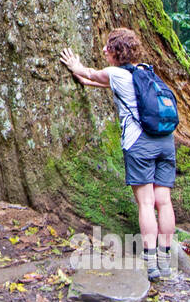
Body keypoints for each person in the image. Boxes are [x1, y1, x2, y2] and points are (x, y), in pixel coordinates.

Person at [60, 28, 177, 281]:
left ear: (117, 51)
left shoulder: (116, 73)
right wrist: (85, 78)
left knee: (146, 203)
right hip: (165, 142)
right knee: (163, 201)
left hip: (140, 143)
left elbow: (89, 73)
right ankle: (166, 260)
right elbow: (94, 81)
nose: (103, 50)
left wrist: (74, 64)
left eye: (108, 47)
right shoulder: (146, 71)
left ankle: (151, 262)